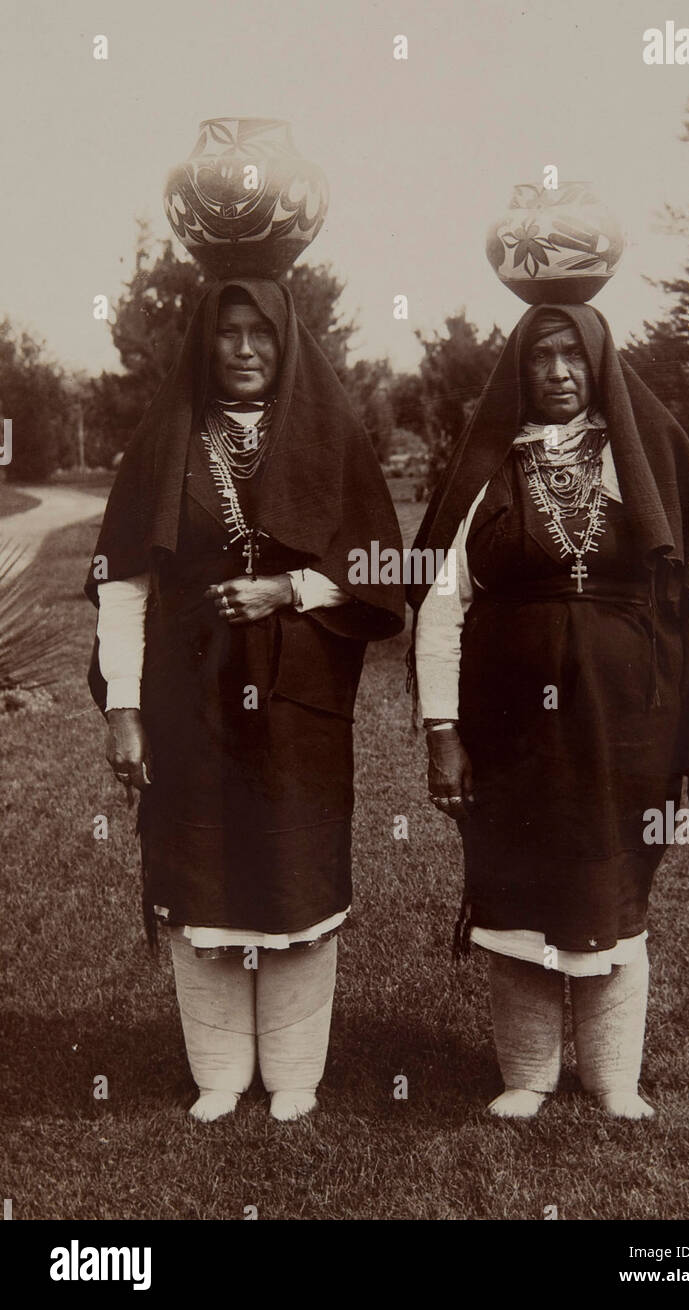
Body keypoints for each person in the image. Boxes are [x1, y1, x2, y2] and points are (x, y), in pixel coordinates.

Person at [86, 279, 404, 1122]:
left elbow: (377, 573)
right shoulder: (167, 440)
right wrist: (124, 708)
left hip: (300, 700)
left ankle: (295, 1073)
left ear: (286, 341)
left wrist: (289, 590)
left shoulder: (330, 434)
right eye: (226, 333)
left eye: (260, 332)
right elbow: (122, 582)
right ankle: (220, 1073)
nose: (244, 349)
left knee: (293, 866)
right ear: (205, 343)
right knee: (203, 868)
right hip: (191, 696)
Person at [410, 304, 689, 1120]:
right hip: (510, 730)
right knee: (518, 882)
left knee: (612, 880)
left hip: (627, 727)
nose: (556, 372)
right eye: (540, 358)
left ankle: (613, 1080)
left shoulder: (645, 459)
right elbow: (443, 609)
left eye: (572, 358)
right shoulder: (489, 471)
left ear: (600, 370)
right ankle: (526, 1076)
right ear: (517, 375)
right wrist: (443, 731)